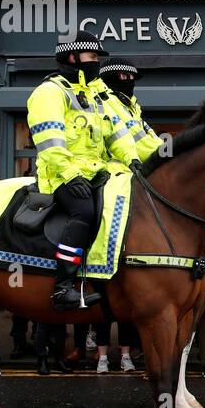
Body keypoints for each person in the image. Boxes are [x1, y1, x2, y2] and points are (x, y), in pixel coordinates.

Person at [26, 35, 138, 310]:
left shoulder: (97, 94)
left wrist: (133, 160)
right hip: (59, 173)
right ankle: (63, 287)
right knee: (84, 210)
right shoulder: (49, 92)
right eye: (92, 57)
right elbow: (49, 143)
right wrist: (69, 174)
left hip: (97, 170)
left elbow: (117, 134)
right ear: (72, 58)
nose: (97, 62)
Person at [99, 62, 164, 162]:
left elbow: (150, 136)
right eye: (127, 76)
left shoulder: (132, 106)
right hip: (117, 166)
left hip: (133, 164)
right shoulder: (109, 102)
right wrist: (165, 155)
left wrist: (169, 151)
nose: (132, 81)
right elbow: (140, 145)